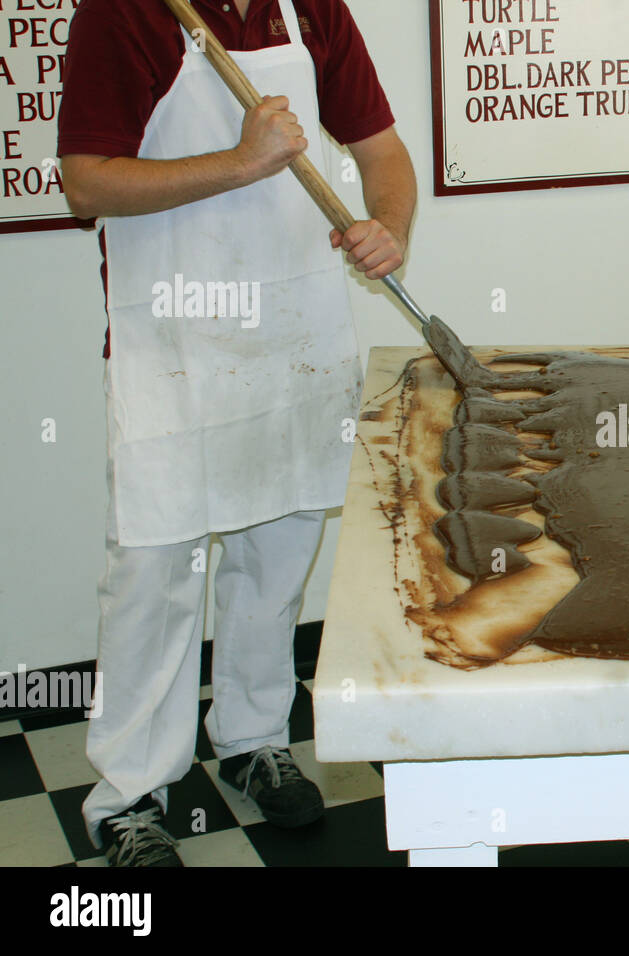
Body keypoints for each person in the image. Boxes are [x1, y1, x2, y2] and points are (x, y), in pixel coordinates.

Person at [57, 0, 416, 866]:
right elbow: (86, 183)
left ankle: (253, 740)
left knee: (280, 548)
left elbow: (383, 153)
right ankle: (130, 796)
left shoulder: (311, 11)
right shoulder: (126, 12)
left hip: (290, 339)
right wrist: (244, 162)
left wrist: (388, 227)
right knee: (154, 572)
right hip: (174, 346)